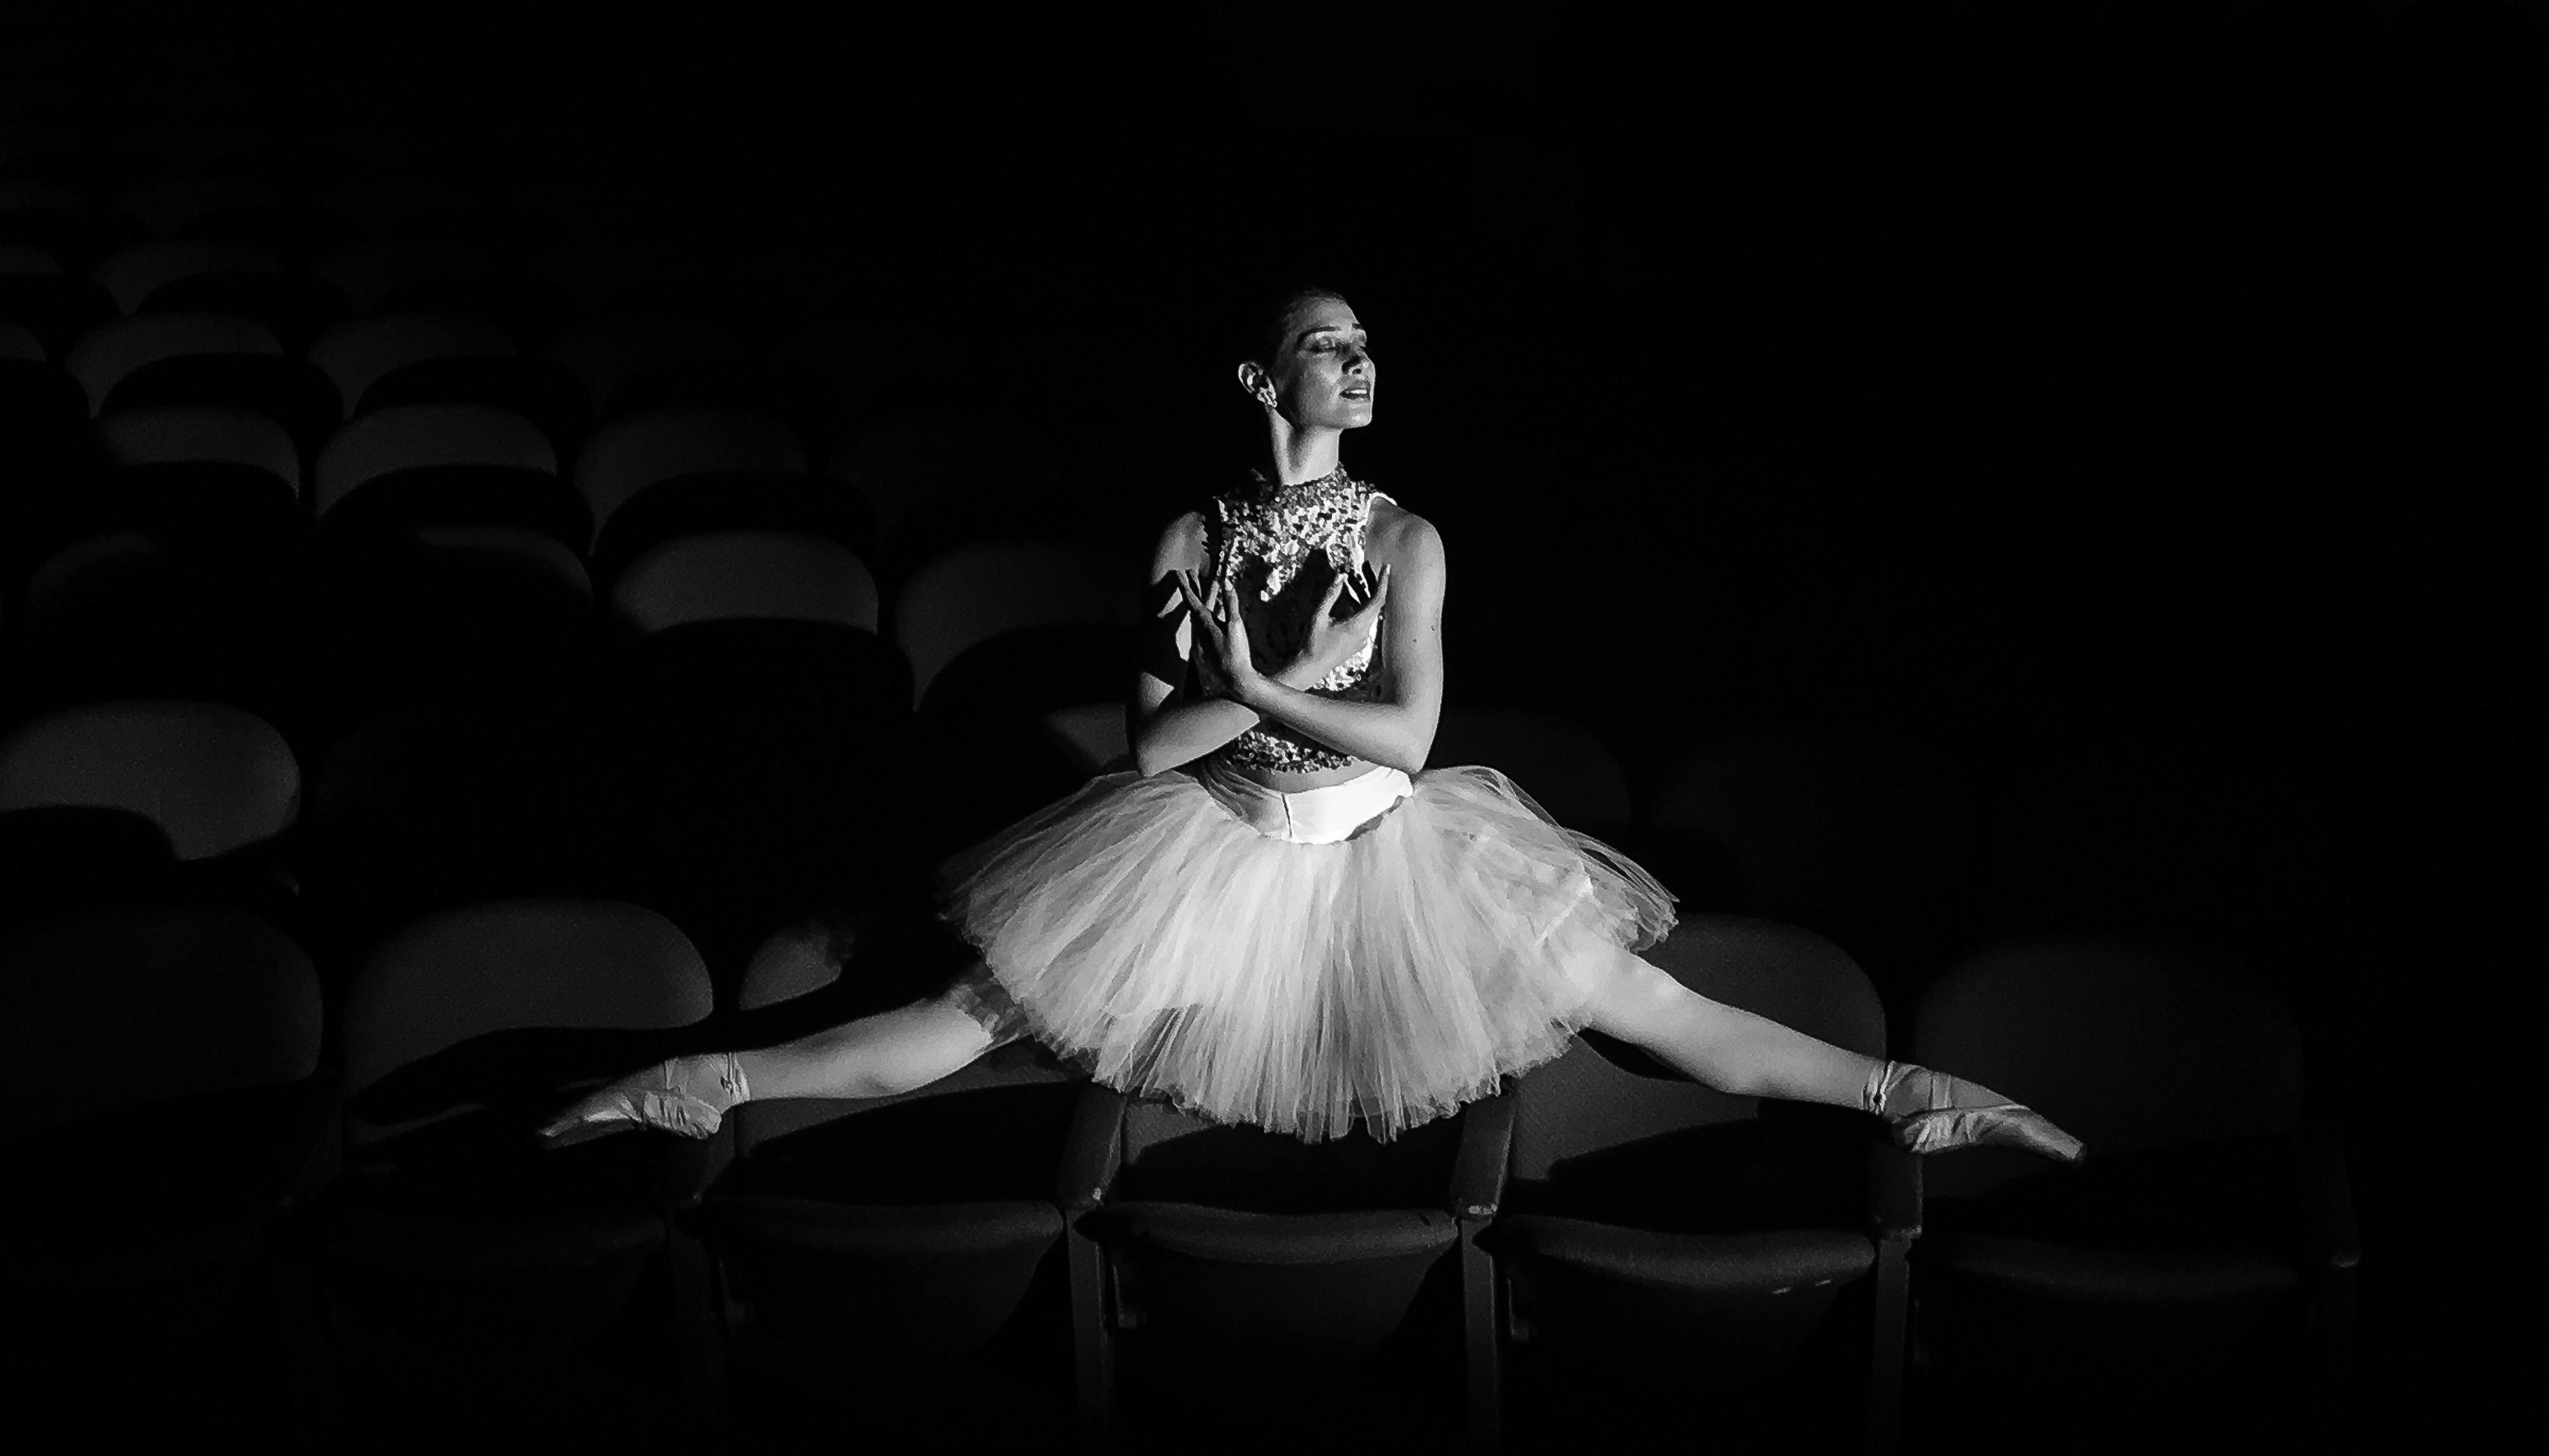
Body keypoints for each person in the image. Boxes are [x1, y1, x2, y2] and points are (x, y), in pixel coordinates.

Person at [542, 284, 2082, 1163]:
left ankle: (1908, 1091)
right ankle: (710, 1080)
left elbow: (1402, 742)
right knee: (966, 1019)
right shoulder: (1189, 537)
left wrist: (1282, 680)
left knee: (1641, 1001)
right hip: (1210, 848)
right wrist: (1263, 681)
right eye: (1326, 341)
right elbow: (1153, 752)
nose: (1357, 358)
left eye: (1363, 343)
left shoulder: (1405, 540)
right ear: (1260, 374)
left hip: (1388, 856)